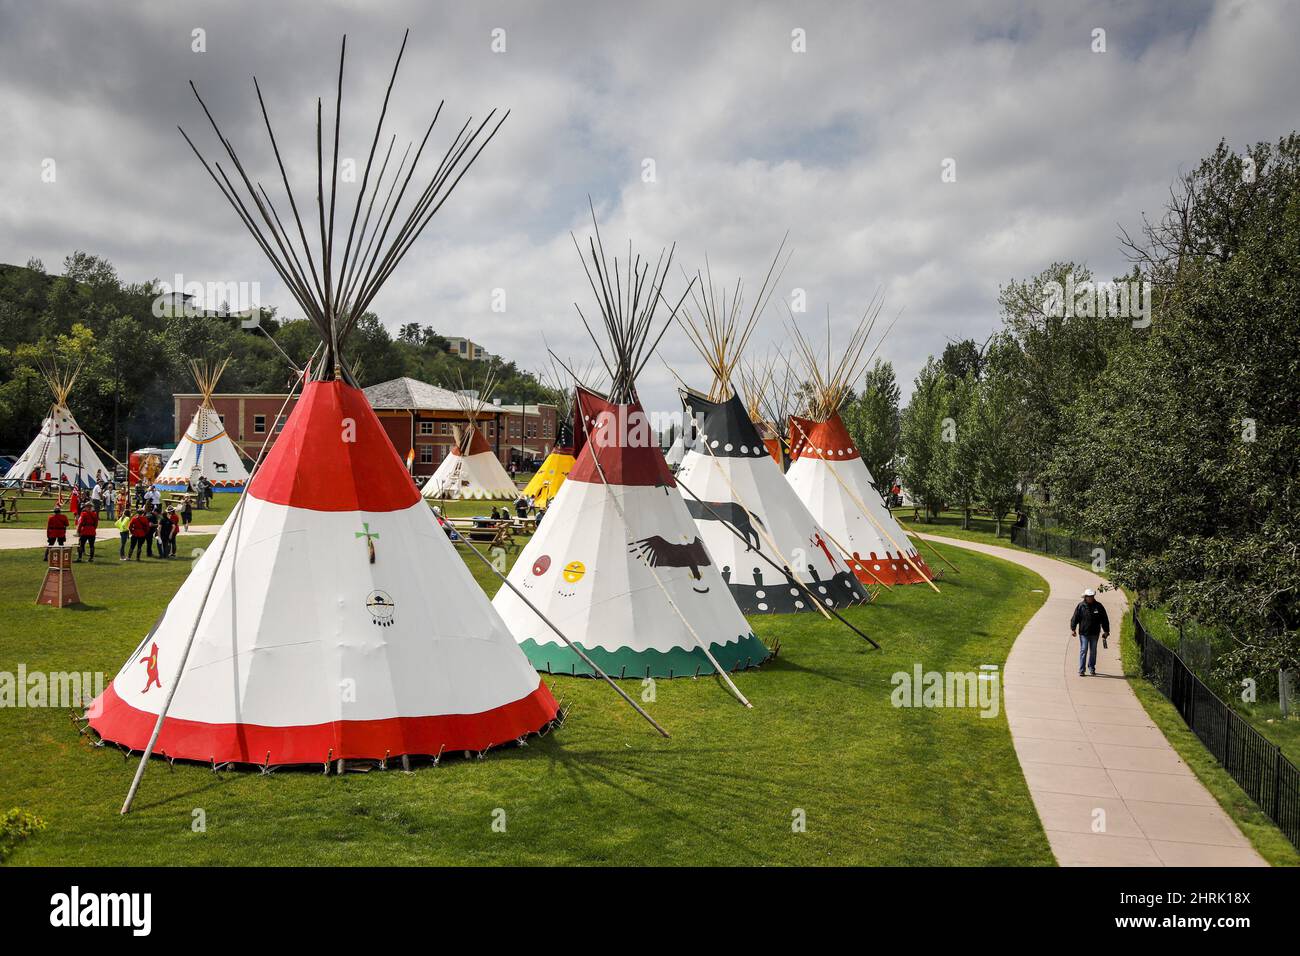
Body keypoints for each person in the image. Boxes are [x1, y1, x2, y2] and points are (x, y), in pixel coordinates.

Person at [1070, 588, 1111, 677]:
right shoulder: (1081, 606)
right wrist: (1073, 629)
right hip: (1083, 633)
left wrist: (1106, 631)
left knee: (1093, 651)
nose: (1090, 598)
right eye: (1088, 596)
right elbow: (1075, 618)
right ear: (1085, 597)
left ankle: (1091, 667)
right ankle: (1081, 670)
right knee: (1084, 649)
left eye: (1092, 596)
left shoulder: (1099, 606)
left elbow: (1104, 619)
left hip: (1095, 633)